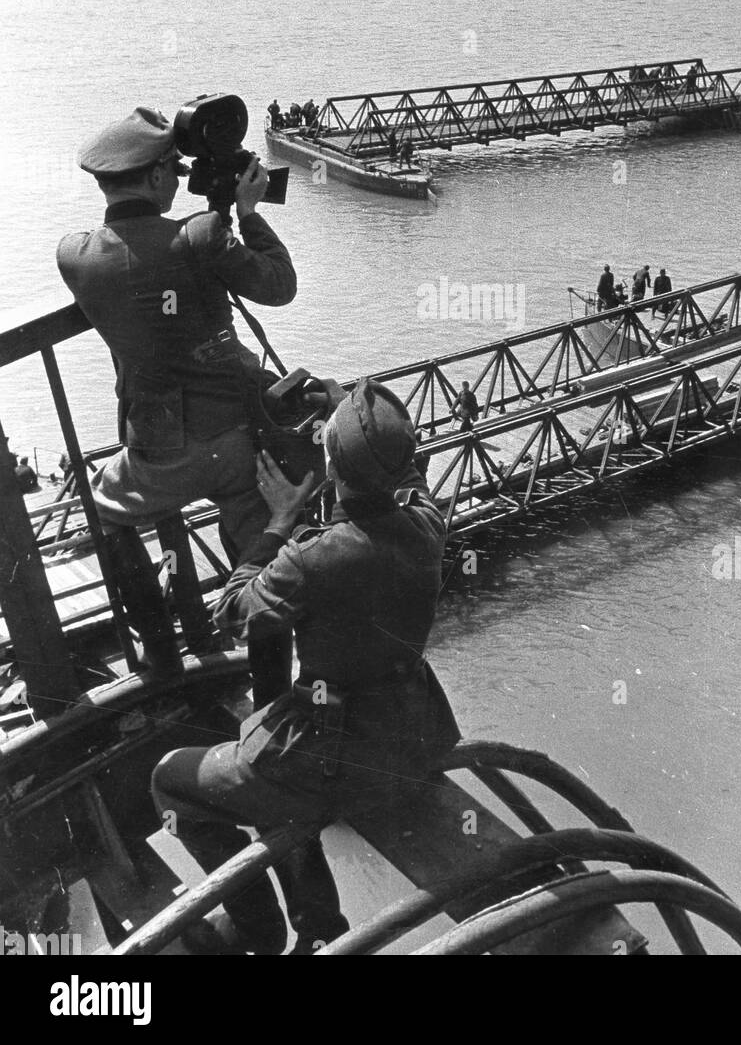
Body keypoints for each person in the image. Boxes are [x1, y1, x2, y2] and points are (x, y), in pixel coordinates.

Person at [151, 379, 461, 955]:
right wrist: (348, 404)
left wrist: (277, 522)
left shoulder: (312, 558)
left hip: (331, 757)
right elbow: (406, 476)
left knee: (172, 779)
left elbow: (233, 614)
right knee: (272, 763)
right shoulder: (426, 526)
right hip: (414, 739)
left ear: (329, 462)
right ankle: (316, 924)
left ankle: (260, 930)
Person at [56, 105, 297, 665]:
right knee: (260, 545)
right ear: (161, 174)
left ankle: (161, 650)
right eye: (176, 165)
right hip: (240, 444)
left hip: (157, 452)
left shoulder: (74, 255)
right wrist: (245, 212)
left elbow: (141, 277)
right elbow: (279, 286)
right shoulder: (203, 234)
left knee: (103, 510)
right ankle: (268, 682)